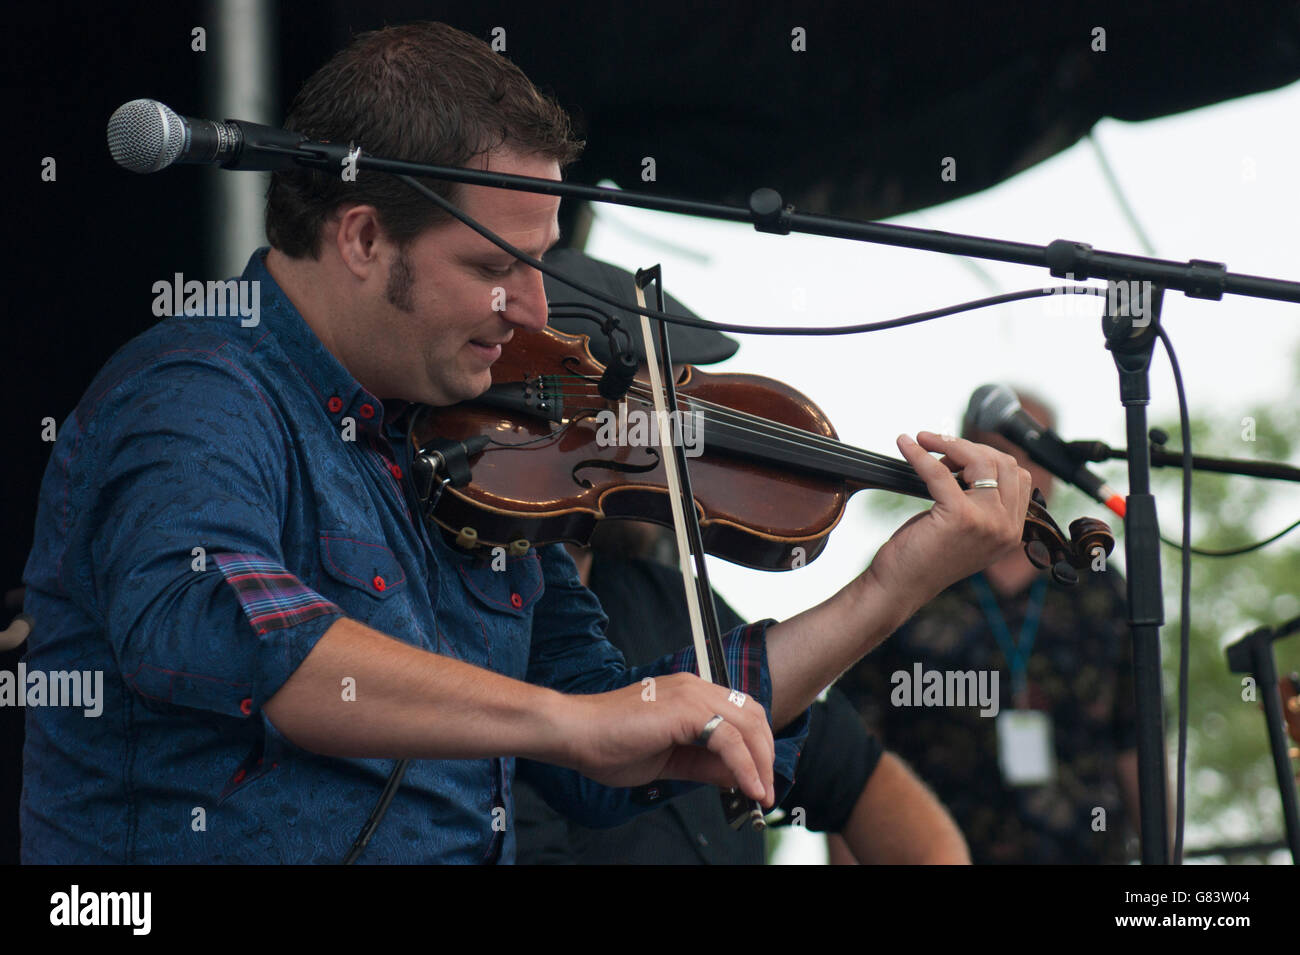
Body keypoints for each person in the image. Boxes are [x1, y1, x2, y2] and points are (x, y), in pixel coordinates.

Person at [20, 21, 1029, 864]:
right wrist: (571, 722)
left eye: (545, 261)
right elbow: (253, 640)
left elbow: (606, 733)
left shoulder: (477, 448)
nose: (535, 310)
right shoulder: (195, 392)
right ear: (363, 238)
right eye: (496, 264)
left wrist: (893, 583)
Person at [512, 251, 970, 864]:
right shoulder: (497, 622)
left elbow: (855, 776)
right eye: (664, 409)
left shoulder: (668, 598)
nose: (689, 447)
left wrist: (896, 584)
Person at [835, 390, 1140, 864]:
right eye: (996, 455)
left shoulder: (1101, 589)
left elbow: (1136, 743)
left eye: (1032, 455)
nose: (1014, 472)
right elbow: (848, 745)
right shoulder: (912, 571)